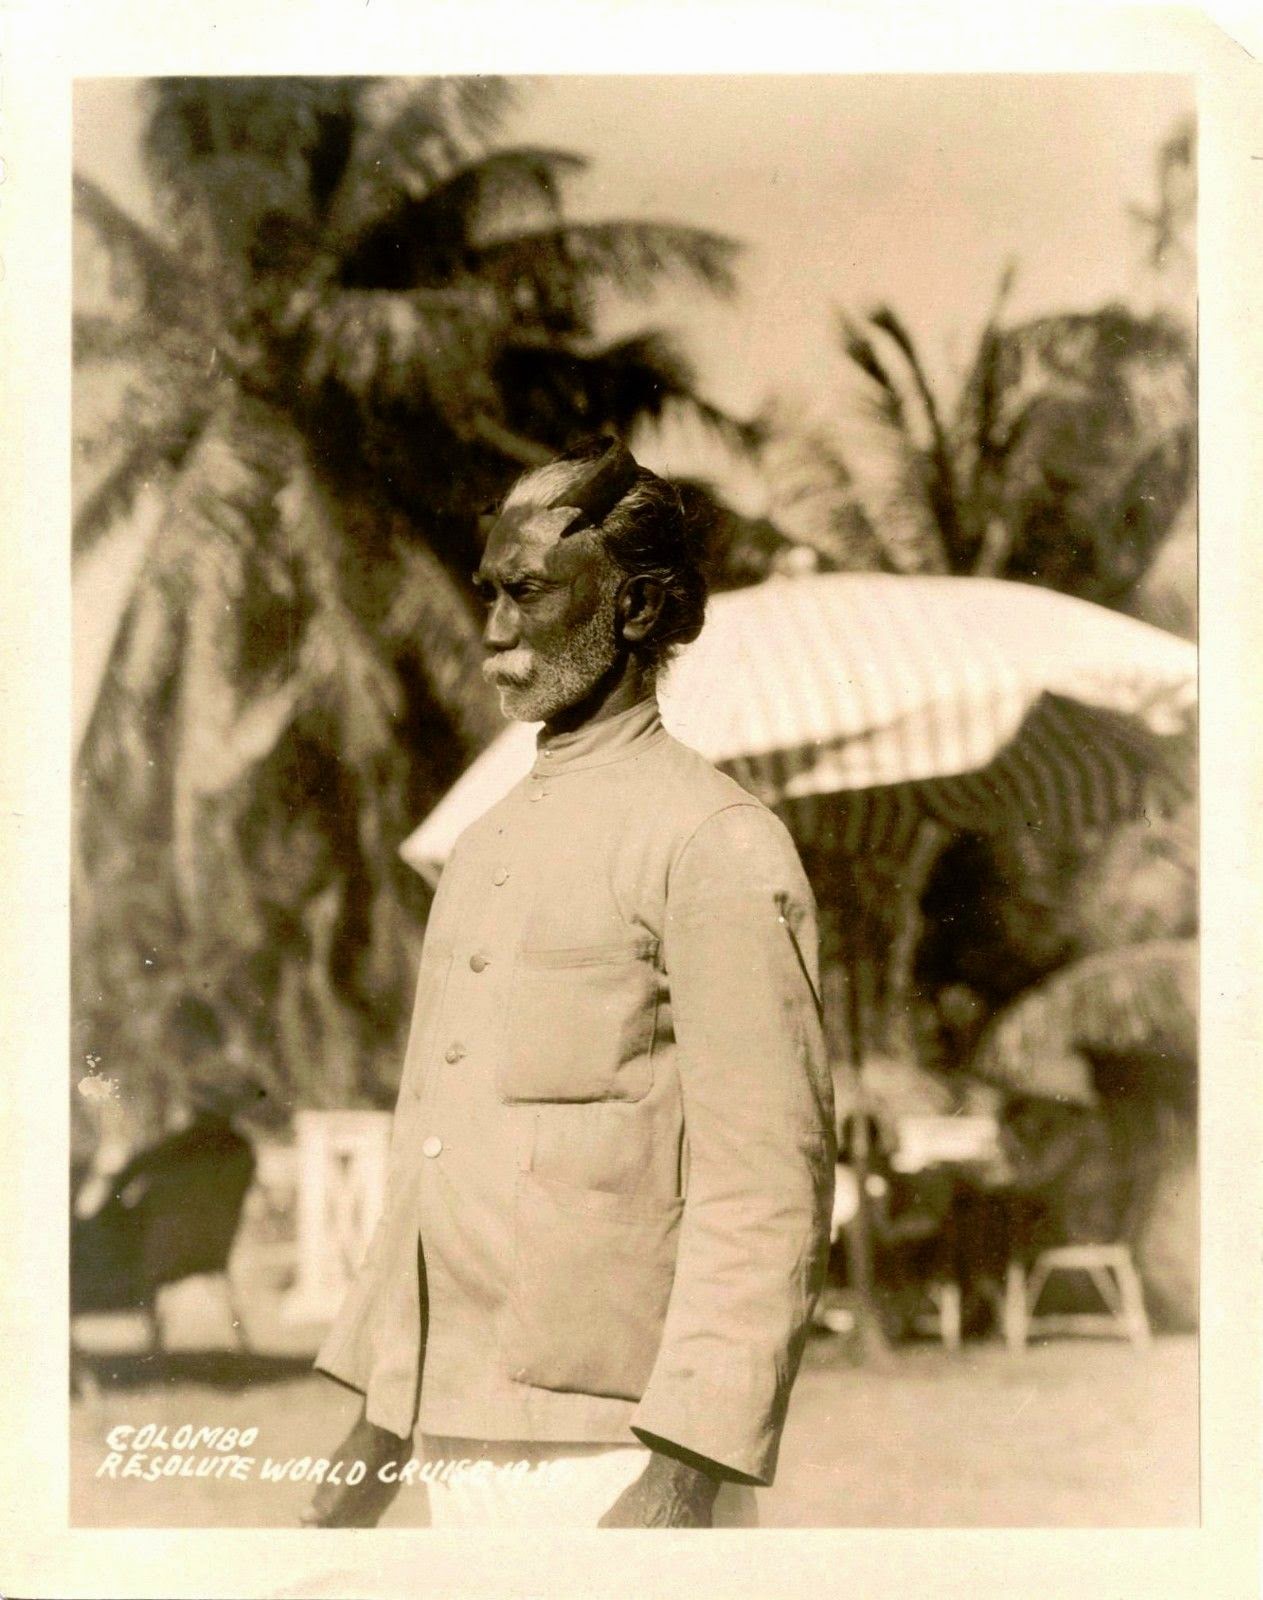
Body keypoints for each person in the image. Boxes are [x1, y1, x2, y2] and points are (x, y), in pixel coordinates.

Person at [305, 436, 835, 1529]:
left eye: (531, 591)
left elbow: (769, 1187)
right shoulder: (483, 847)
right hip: (455, 1440)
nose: (495, 626)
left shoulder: (713, 842)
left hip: (615, 1459)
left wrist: (685, 1470)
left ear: (636, 610)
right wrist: (374, 1432)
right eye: (489, 590)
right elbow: (430, 1156)